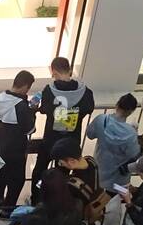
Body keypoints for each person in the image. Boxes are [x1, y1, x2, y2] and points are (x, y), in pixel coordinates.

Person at [29, 56, 96, 191]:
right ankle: (58, 196)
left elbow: (44, 109)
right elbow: (89, 109)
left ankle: (37, 196)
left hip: (50, 140)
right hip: (71, 141)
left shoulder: (49, 90)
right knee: (63, 173)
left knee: (40, 170)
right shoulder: (85, 92)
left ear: (53, 72)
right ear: (69, 69)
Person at [0, 71, 37, 216]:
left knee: (0, 172)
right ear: (25, 87)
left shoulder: (0, 97)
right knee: (17, 179)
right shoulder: (22, 107)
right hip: (15, 150)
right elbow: (30, 129)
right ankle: (8, 209)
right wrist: (33, 111)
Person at [86, 95, 142, 196]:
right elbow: (132, 154)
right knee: (115, 199)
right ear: (131, 111)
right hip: (118, 180)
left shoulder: (101, 120)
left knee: (97, 201)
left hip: (99, 173)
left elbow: (90, 134)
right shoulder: (131, 133)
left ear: (117, 105)